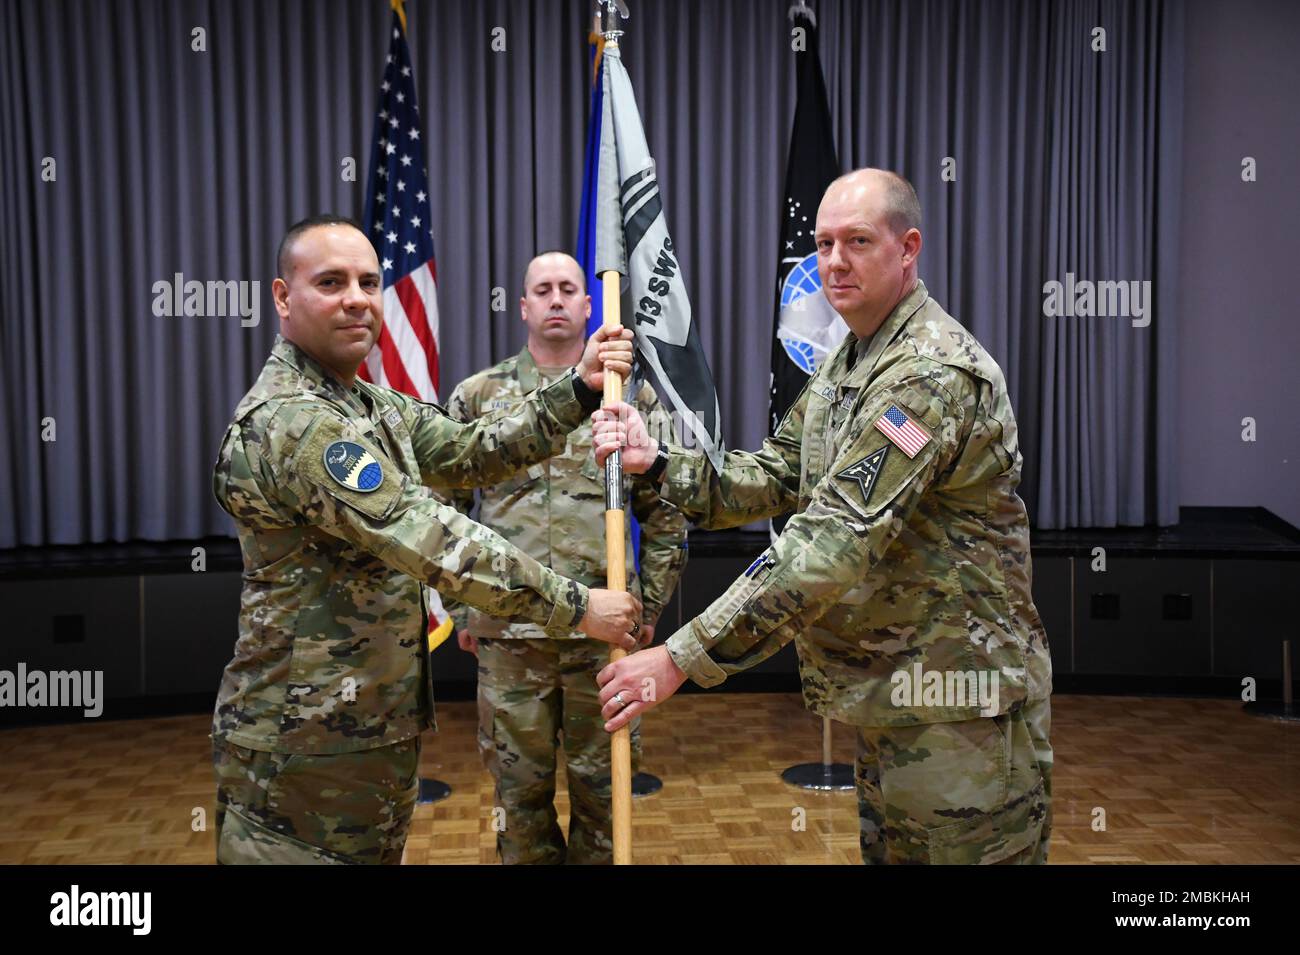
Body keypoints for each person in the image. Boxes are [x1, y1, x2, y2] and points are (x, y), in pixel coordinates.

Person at [593, 169, 1054, 865]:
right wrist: (657, 462)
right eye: (824, 243)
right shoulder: (851, 359)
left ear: (908, 248)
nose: (834, 261)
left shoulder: (930, 373)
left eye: (858, 241)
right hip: (895, 700)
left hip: (965, 713)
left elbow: (829, 545)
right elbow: (778, 474)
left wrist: (681, 657)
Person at [210, 215, 640, 865]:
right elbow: (434, 538)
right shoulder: (297, 421)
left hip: (366, 727)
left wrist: (577, 389)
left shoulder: (369, 405)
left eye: (368, 281)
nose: (356, 298)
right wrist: (579, 604)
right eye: (330, 282)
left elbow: (473, 451)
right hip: (301, 744)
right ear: (281, 297)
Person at [442, 251, 688, 864]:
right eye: (543, 289)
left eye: (568, 288)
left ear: (588, 305)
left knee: (606, 797)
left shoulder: (630, 399)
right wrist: (459, 608)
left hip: (602, 644)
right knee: (517, 801)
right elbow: (438, 510)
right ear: (522, 306)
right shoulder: (477, 397)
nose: (556, 299)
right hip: (509, 638)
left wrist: (649, 605)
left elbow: (668, 511)